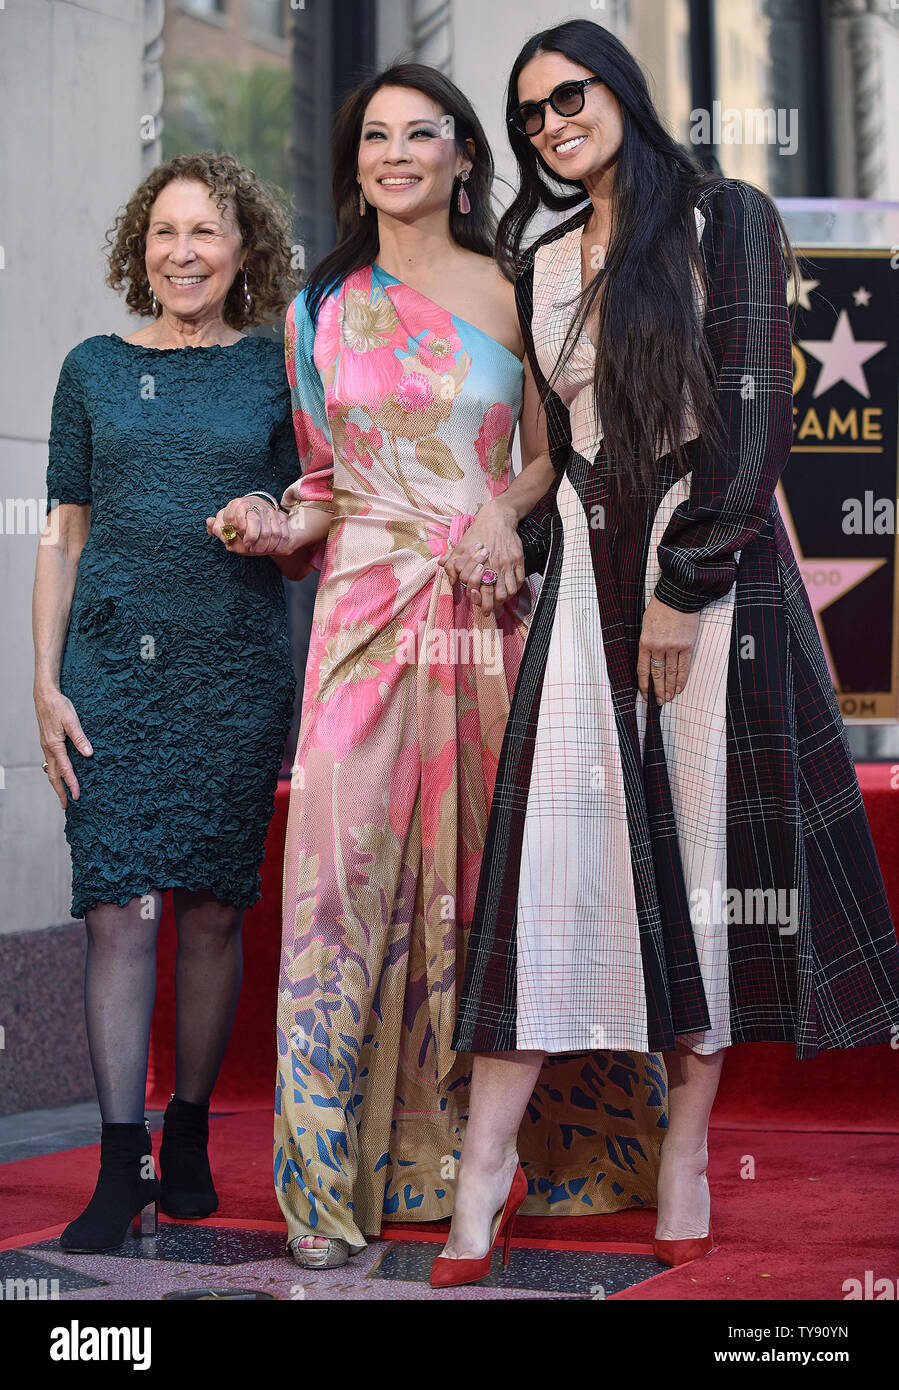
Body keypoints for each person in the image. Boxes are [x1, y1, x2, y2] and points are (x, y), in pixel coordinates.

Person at [435, 19, 899, 1287]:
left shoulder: (720, 218)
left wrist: (687, 585)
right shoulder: (534, 257)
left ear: (621, 93)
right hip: (584, 585)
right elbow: (550, 443)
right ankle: (485, 1172)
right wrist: (506, 521)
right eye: (526, 113)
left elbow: (758, 417)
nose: (548, 124)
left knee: (708, 866)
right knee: (542, 876)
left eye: (566, 96)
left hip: (714, 587)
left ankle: (685, 1155)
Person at [210, 63, 667, 1272]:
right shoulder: (316, 308)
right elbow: (320, 486)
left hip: (487, 612)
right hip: (360, 617)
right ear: (353, 160)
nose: (397, 154)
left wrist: (500, 516)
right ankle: (324, 1185)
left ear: (467, 157)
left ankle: (492, 1159)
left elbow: (550, 454)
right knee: (328, 891)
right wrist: (270, 522)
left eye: (424, 134)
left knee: (487, 885)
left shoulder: (521, 284)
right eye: (375, 136)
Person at [33, 153, 300, 1253]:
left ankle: (186, 1131)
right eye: (163, 232)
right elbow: (63, 531)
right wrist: (42, 682)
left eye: (204, 232)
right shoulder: (92, 367)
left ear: (244, 252)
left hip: (234, 668)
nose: (181, 252)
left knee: (209, 909)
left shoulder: (277, 370)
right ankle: (118, 1155)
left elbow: (307, 526)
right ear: (138, 248)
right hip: (108, 673)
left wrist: (274, 518)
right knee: (115, 906)